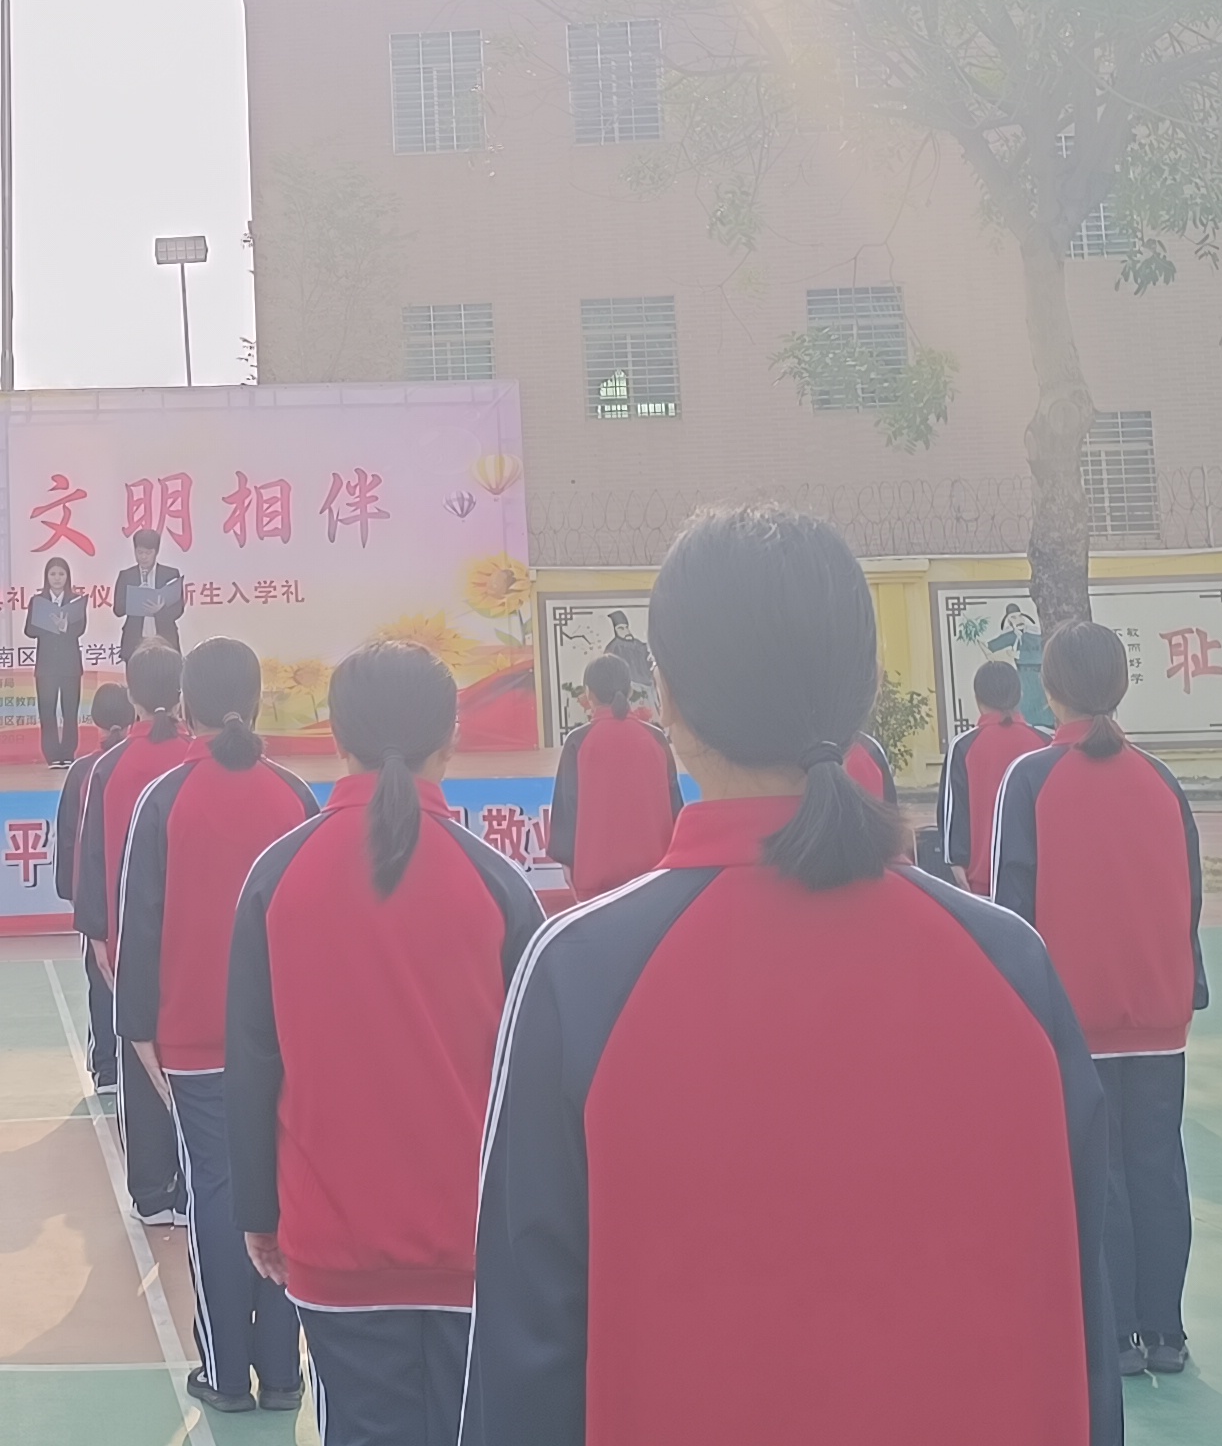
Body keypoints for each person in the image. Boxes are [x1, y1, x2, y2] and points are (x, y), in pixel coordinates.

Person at [463, 505, 1121, 1444]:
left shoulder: (582, 975)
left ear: (673, 704)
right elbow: (1083, 1330)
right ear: (863, 691)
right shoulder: (1009, 964)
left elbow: (525, 1360)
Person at [221, 642, 536, 1446]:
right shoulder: (497, 883)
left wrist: (260, 1212)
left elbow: (254, 1064)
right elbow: (535, 1087)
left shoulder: (279, 876)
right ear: (449, 738)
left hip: (336, 1246)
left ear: (340, 739)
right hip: (477, 1252)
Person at [994, 624, 1207, 1381]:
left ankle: (1113, 1335)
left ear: (1047, 688)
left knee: (1098, 1172)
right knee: (1159, 1167)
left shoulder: (1030, 779)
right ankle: (1168, 1332)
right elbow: (1188, 898)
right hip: (1158, 1008)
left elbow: (1012, 910)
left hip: (1073, 1015)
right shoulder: (1159, 778)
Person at [119, 638, 323, 1413]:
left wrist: (140, 1030)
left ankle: (225, 1369)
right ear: (261, 696)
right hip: (286, 1039)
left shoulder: (167, 799)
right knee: (284, 1191)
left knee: (217, 1191)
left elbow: (141, 922)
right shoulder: (296, 796)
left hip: (196, 1037)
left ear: (185, 706)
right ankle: (282, 1369)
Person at [87, 648, 202, 1222]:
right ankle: (189, 1187)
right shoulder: (195, 759)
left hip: (130, 937)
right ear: (180, 694)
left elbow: (93, 861)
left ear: (131, 694)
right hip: (193, 933)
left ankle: (153, 1189)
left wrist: (101, 937)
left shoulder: (110, 765)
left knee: (140, 1057)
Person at [54, 682, 137, 1093]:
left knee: (101, 977)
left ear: (95, 721)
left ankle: (107, 1066)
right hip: (140, 892)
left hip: (98, 895)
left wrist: (74, 894)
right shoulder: (140, 763)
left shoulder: (84, 770)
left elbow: (69, 837)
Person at [547, 651, 681, 903]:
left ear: (589, 694)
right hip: (655, 880)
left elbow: (567, 808)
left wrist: (568, 861)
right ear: (630, 691)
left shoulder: (578, 741)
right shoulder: (656, 739)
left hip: (596, 883)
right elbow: (675, 807)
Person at [936, 657, 1043, 900]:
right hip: (1037, 879)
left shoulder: (964, 745)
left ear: (978, 698)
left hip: (981, 880)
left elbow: (953, 810)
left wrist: (955, 861)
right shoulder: (1044, 743)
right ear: (1019, 695)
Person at [27, 557, 93, 765]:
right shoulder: (38, 601)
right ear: (47, 577)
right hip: (46, 665)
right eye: (53, 574)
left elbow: (80, 628)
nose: (57, 578)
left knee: (69, 711)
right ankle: (52, 755)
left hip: (70, 665)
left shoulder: (75, 601)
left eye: (61, 574)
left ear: (67, 577)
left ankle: (67, 754)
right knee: (47, 711)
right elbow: (29, 630)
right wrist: (49, 624)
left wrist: (65, 627)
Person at [114, 529, 189, 661]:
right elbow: (117, 610)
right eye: (140, 552)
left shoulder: (170, 575)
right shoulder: (126, 575)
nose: (143, 557)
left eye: (148, 553)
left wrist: (159, 610)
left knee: (167, 679)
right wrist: (134, 600)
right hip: (134, 641)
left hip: (165, 641)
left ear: (156, 552)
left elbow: (178, 610)